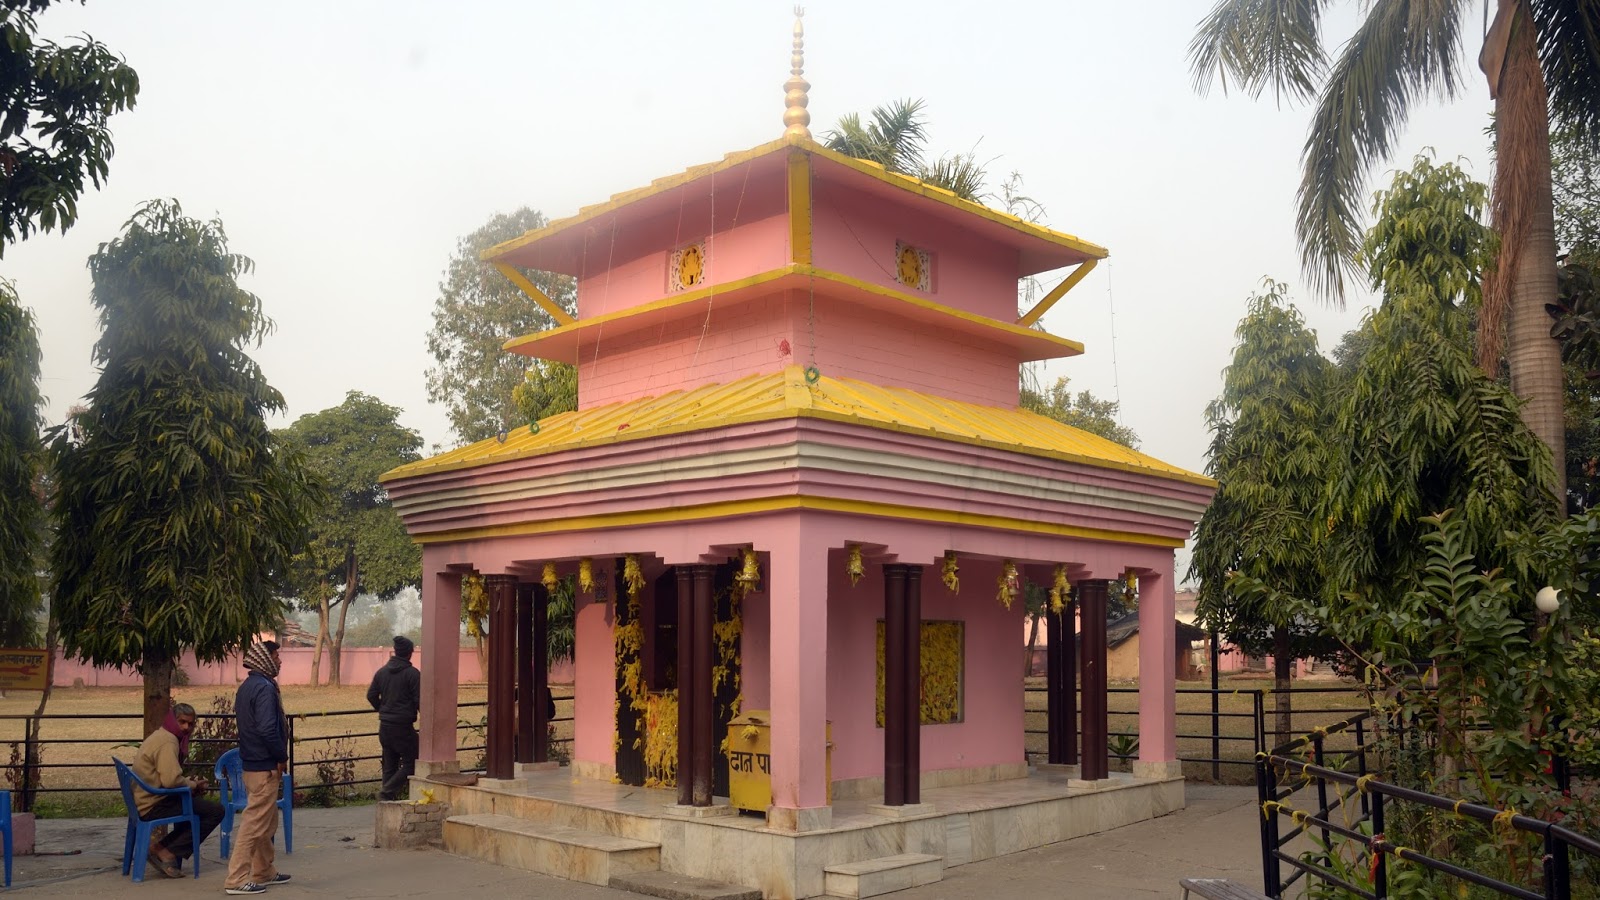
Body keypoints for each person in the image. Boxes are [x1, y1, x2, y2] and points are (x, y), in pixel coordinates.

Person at [223, 641, 291, 896]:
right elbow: (266, 728)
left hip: (252, 763)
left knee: (267, 821)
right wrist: (281, 756)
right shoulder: (264, 688)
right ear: (265, 658)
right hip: (264, 765)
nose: (279, 661)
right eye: (276, 656)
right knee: (254, 824)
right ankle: (236, 879)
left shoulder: (248, 687)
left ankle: (264, 870)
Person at [131, 701, 225, 879]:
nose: (186, 727)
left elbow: (169, 777)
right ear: (173, 720)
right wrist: (193, 785)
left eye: (190, 724)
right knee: (216, 811)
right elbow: (171, 781)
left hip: (148, 798)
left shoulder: (162, 735)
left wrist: (190, 784)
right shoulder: (168, 741)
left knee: (196, 806)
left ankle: (161, 848)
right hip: (153, 804)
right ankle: (166, 851)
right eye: (182, 722)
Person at [367, 635, 420, 801]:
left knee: (389, 766)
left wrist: (383, 709)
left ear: (395, 651)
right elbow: (419, 700)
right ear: (409, 653)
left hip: (385, 726)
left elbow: (371, 695)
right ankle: (387, 792)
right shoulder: (412, 674)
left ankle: (386, 802)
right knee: (413, 763)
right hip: (403, 726)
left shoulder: (381, 673)